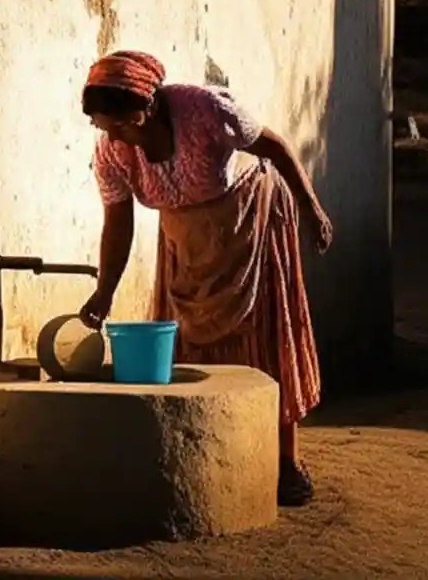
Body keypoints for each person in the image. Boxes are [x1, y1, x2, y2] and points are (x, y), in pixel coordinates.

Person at [77, 50, 332, 507]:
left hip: (248, 221)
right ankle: (207, 457)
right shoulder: (111, 151)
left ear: (149, 104)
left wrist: (311, 208)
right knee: (187, 344)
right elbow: (118, 223)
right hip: (185, 240)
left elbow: (273, 146)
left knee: (263, 341)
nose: (117, 135)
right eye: (105, 127)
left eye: (122, 123)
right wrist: (104, 293)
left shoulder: (208, 110)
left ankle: (286, 461)